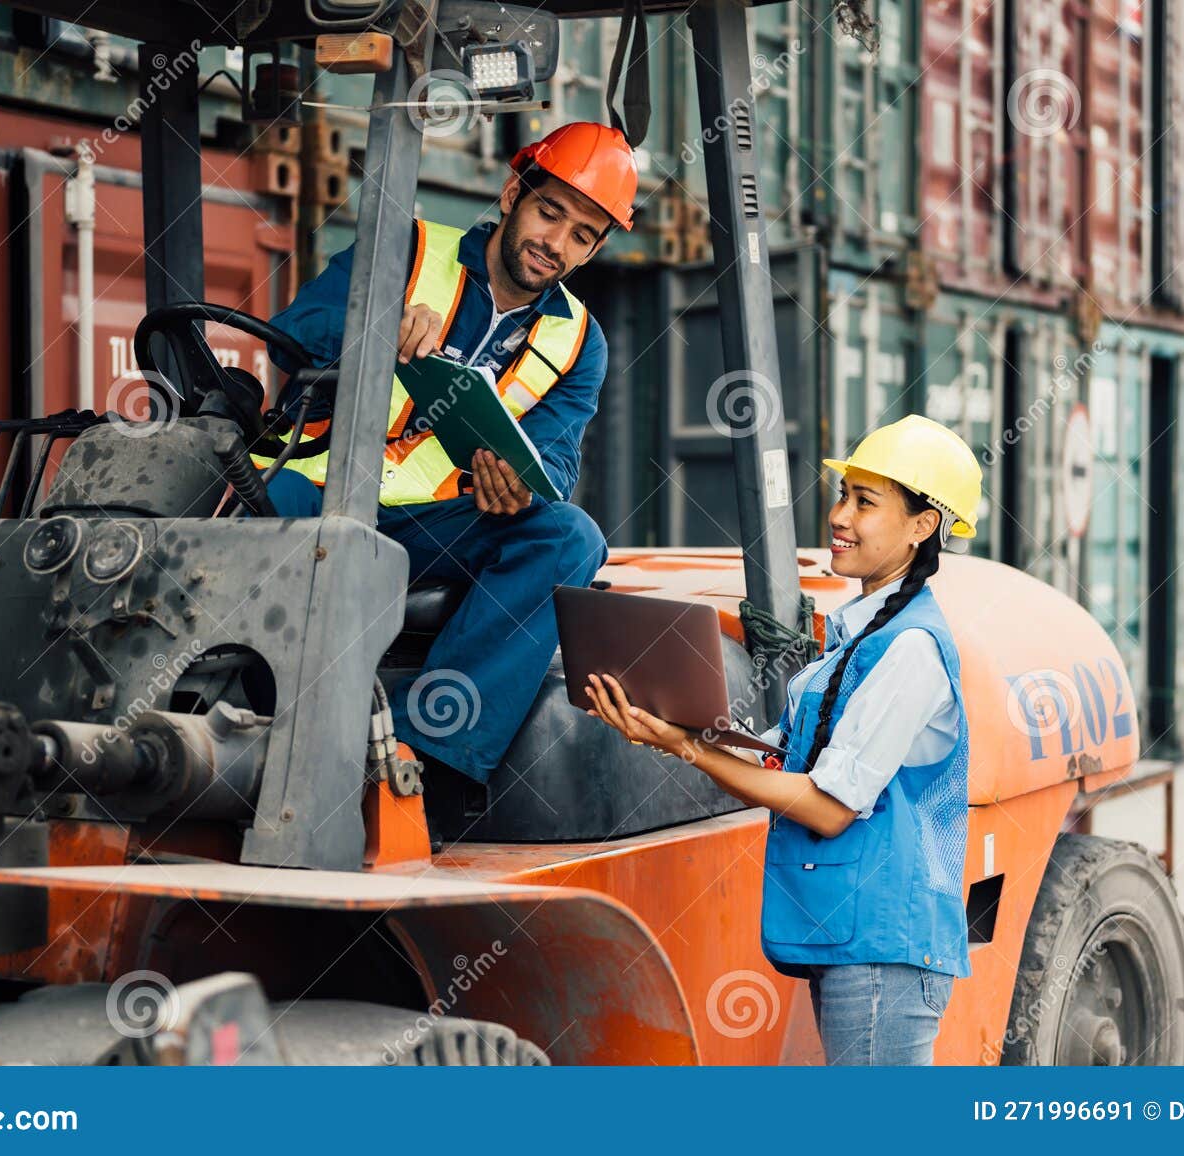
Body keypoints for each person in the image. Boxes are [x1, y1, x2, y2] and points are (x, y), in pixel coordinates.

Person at [584, 415, 982, 1065]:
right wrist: (669, 726)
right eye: (842, 494)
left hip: (885, 943)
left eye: (864, 501)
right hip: (855, 932)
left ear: (922, 526)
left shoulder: (909, 648)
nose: (838, 516)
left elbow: (828, 804)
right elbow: (779, 757)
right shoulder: (857, 637)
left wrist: (692, 750)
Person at [257, 122, 638, 785]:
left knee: (569, 537)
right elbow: (290, 338)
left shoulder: (582, 342)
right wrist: (377, 326)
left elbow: (555, 466)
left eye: (582, 235)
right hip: (320, 489)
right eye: (549, 213)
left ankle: (417, 745)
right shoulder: (405, 251)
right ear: (511, 191)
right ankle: (254, 723)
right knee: (270, 505)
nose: (556, 244)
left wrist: (518, 487)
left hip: (428, 529)